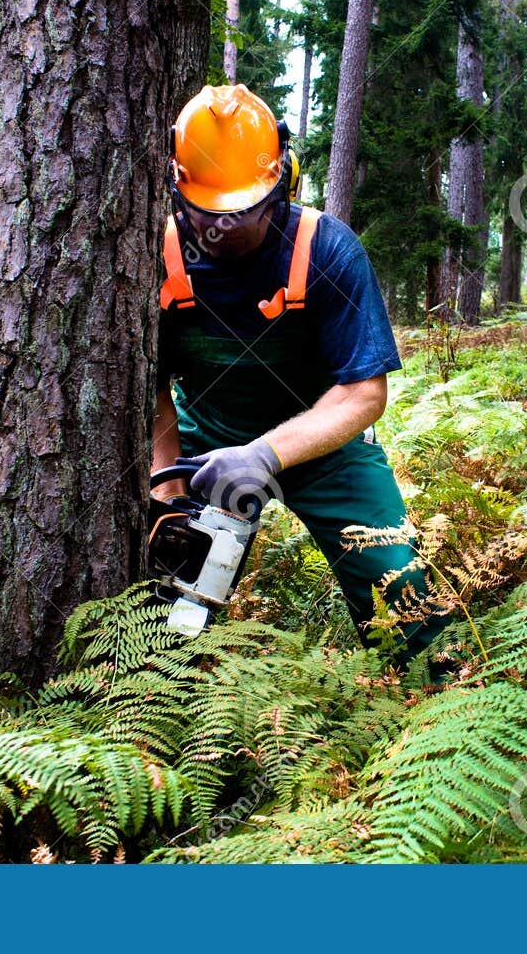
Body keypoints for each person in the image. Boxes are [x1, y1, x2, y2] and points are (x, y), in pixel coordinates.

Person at [150, 83, 452, 670]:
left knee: (407, 597)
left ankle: (440, 701)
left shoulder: (328, 251)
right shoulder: (156, 253)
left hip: (325, 447)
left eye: (245, 211)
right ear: (178, 191)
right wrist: (167, 487)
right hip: (207, 444)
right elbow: (154, 389)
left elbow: (364, 393)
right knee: (171, 610)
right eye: (211, 213)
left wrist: (265, 455)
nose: (228, 227)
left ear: (282, 186)